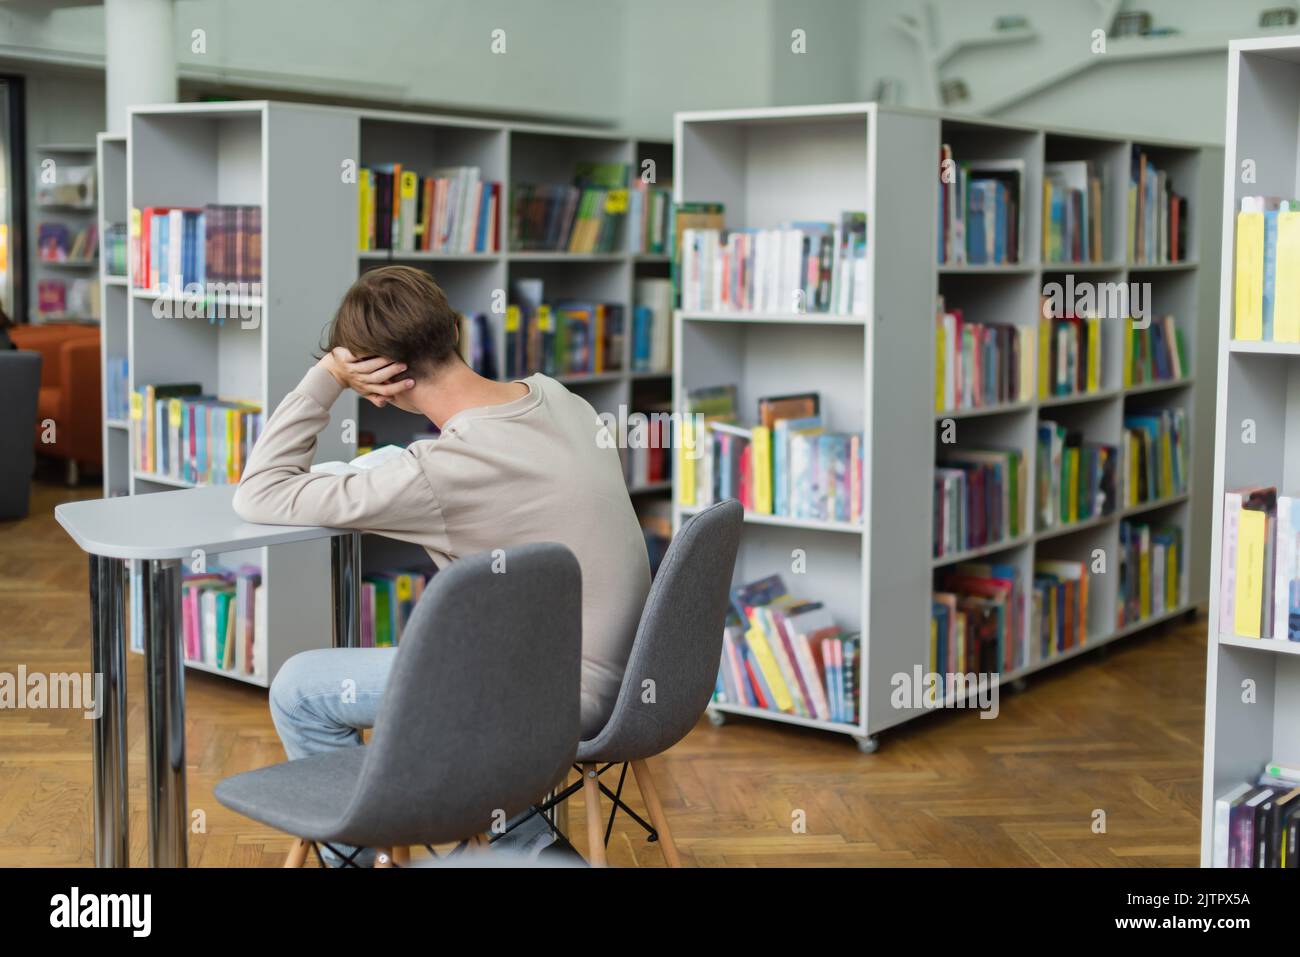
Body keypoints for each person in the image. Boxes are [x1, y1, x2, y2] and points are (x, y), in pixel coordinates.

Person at [232, 266, 650, 859]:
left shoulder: (437, 471)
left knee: (299, 688)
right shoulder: (558, 397)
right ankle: (528, 845)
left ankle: (358, 851)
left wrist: (327, 376)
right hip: (630, 680)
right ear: (451, 330)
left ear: (381, 378)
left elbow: (261, 492)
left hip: (551, 698)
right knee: (466, 655)